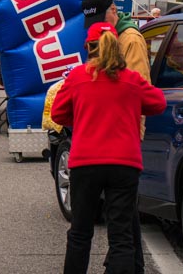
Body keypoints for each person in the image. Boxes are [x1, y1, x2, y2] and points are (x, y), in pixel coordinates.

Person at [51, 22, 166, 274]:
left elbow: (58, 113)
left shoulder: (77, 77)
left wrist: (81, 117)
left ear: (89, 48)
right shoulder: (131, 80)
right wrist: (132, 108)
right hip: (124, 163)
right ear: (117, 47)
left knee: (80, 232)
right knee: (121, 235)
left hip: (85, 162)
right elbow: (158, 103)